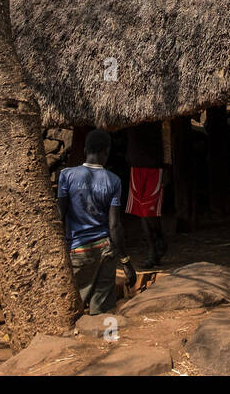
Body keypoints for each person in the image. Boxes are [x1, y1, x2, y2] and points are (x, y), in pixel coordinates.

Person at [57, 129, 136, 314]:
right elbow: (114, 225)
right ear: (107, 151)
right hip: (104, 251)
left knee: (71, 310)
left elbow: (59, 215)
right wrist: (125, 261)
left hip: (77, 251)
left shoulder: (66, 176)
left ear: (85, 149)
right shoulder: (114, 181)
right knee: (101, 311)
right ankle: (103, 340)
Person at [126, 121, 168, 269]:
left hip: (154, 166)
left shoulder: (157, 112)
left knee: (150, 210)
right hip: (136, 165)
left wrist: (167, 165)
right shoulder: (128, 110)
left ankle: (157, 242)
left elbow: (166, 134)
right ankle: (153, 248)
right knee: (141, 211)